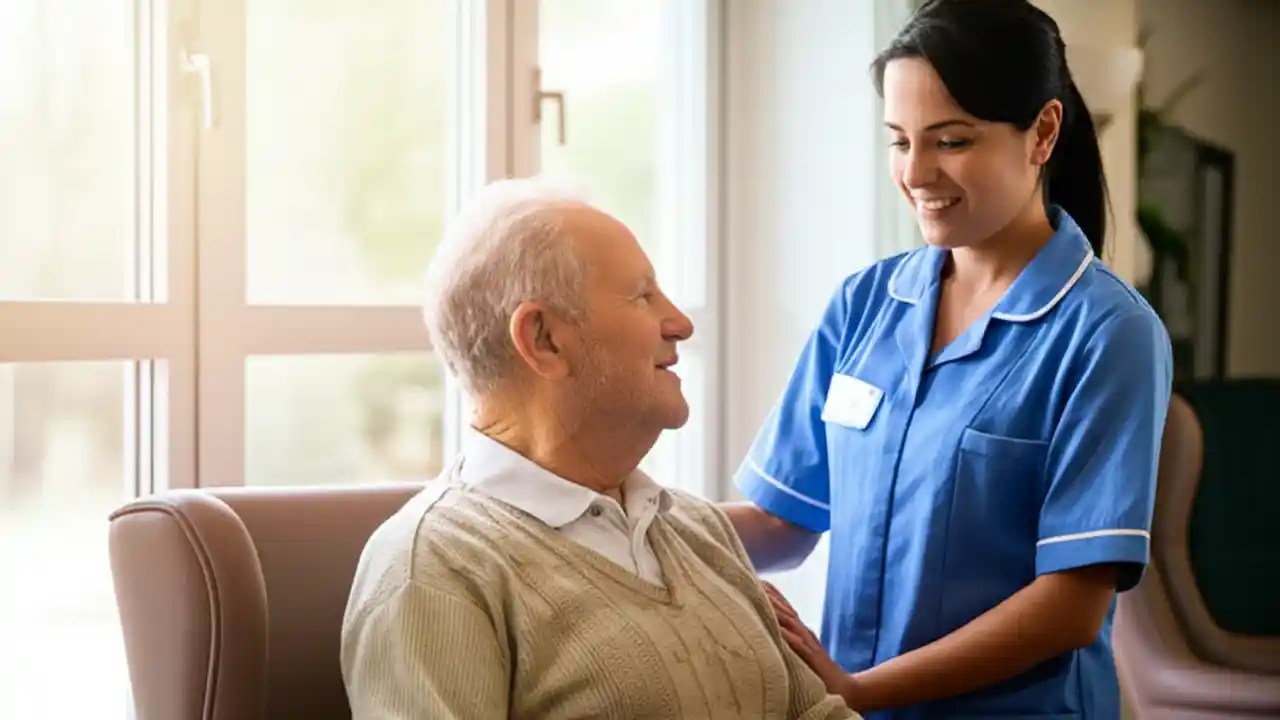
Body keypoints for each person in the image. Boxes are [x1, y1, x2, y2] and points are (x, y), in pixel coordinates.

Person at [723, 1, 1173, 718]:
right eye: (898, 141)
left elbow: (1070, 607)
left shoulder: (1108, 334)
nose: (916, 171)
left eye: (952, 141)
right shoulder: (865, 305)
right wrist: (631, 522)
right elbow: (783, 522)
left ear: (1043, 132)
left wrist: (861, 690)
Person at [340, 178, 857, 720]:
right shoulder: (434, 569)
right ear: (543, 338)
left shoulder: (697, 530)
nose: (681, 323)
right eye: (643, 295)